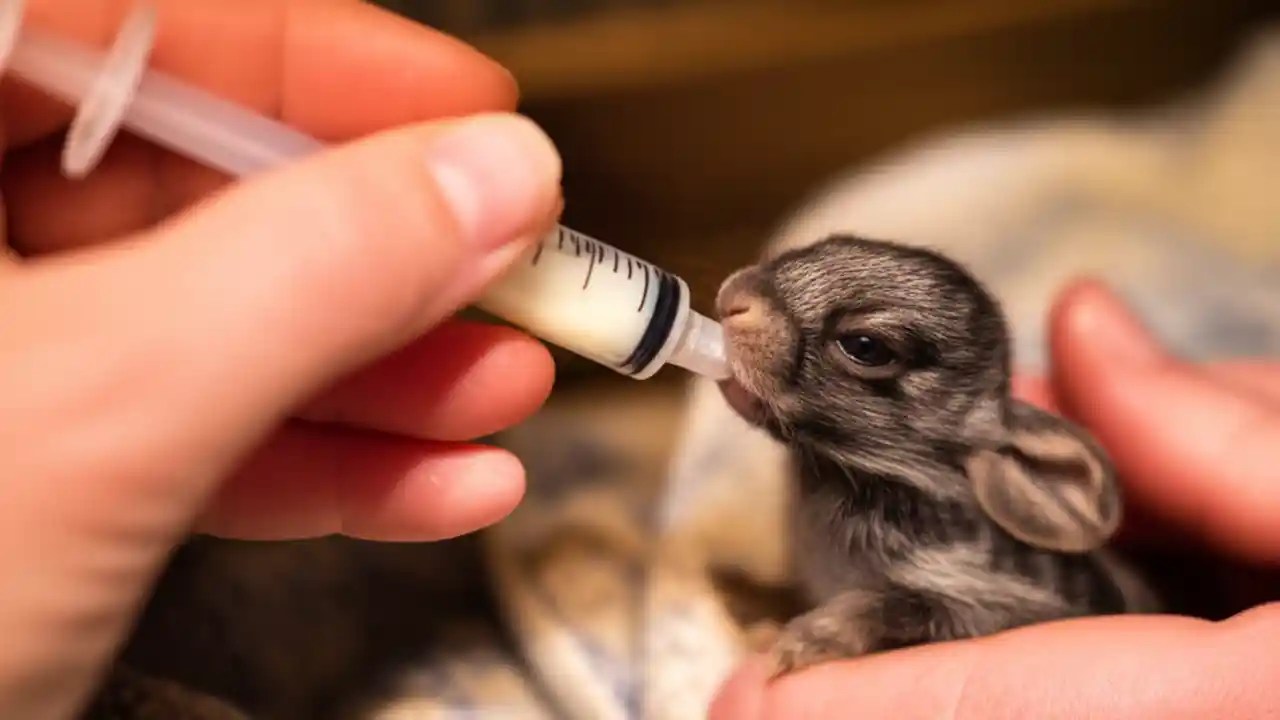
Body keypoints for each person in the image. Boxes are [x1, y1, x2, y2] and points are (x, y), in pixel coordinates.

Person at [0, 2, 1273, 719]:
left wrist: (869, 620)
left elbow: (993, 614)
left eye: (863, 348)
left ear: (1008, 455)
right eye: (781, 281)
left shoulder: (983, 512)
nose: (741, 307)